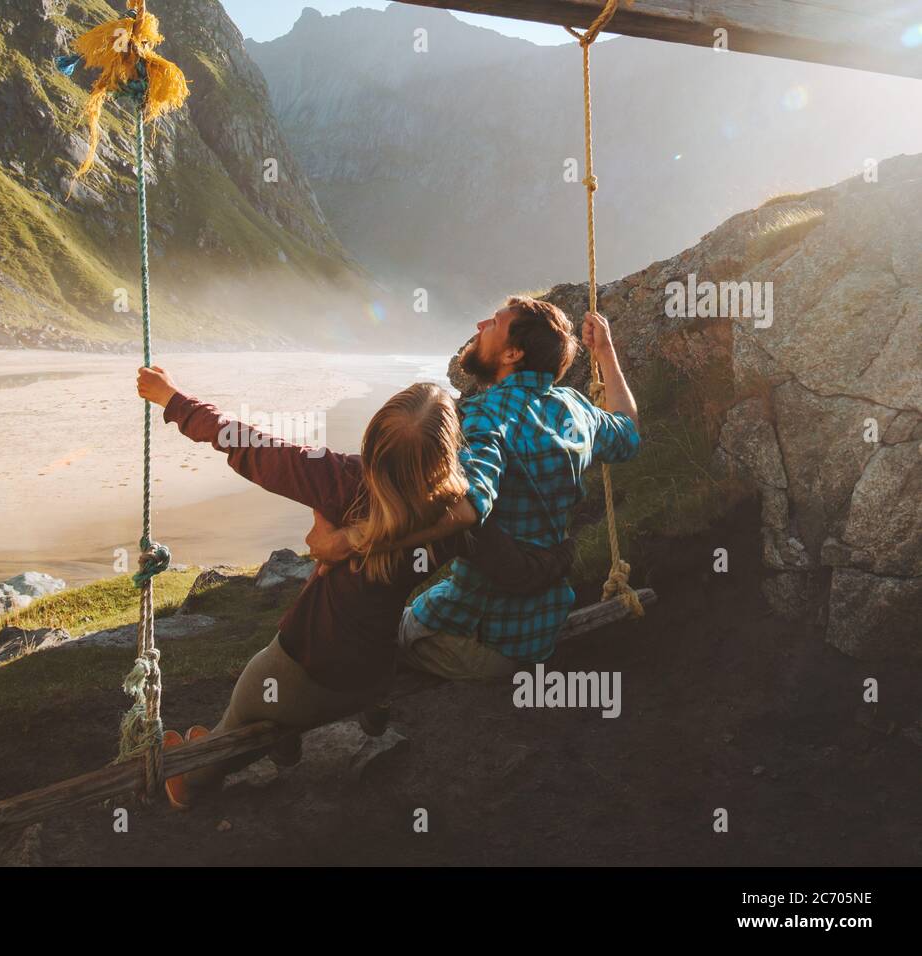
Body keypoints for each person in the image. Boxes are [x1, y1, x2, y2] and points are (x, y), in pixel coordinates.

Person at [135, 366, 571, 807]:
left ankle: (193, 784)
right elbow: (517, 570)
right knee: (324, 676)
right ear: (447, 451)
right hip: (374, 676)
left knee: (242, 715)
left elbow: (246, 443)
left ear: (374, 438)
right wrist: (562, 554)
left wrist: (174, 401)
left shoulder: (340, 479)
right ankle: (331, 728)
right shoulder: (454, 512)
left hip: (301, 672)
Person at [308, 300, 641, 682]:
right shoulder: (574, 409)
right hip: (540, 630)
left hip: (484, 640)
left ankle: (359, 694)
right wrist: (606, 352)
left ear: (512, 353)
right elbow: (628, 433)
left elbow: (469, 508)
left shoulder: (485, 416)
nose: (480, 324)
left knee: (384, 632)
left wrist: (350, 542)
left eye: (493, 324)